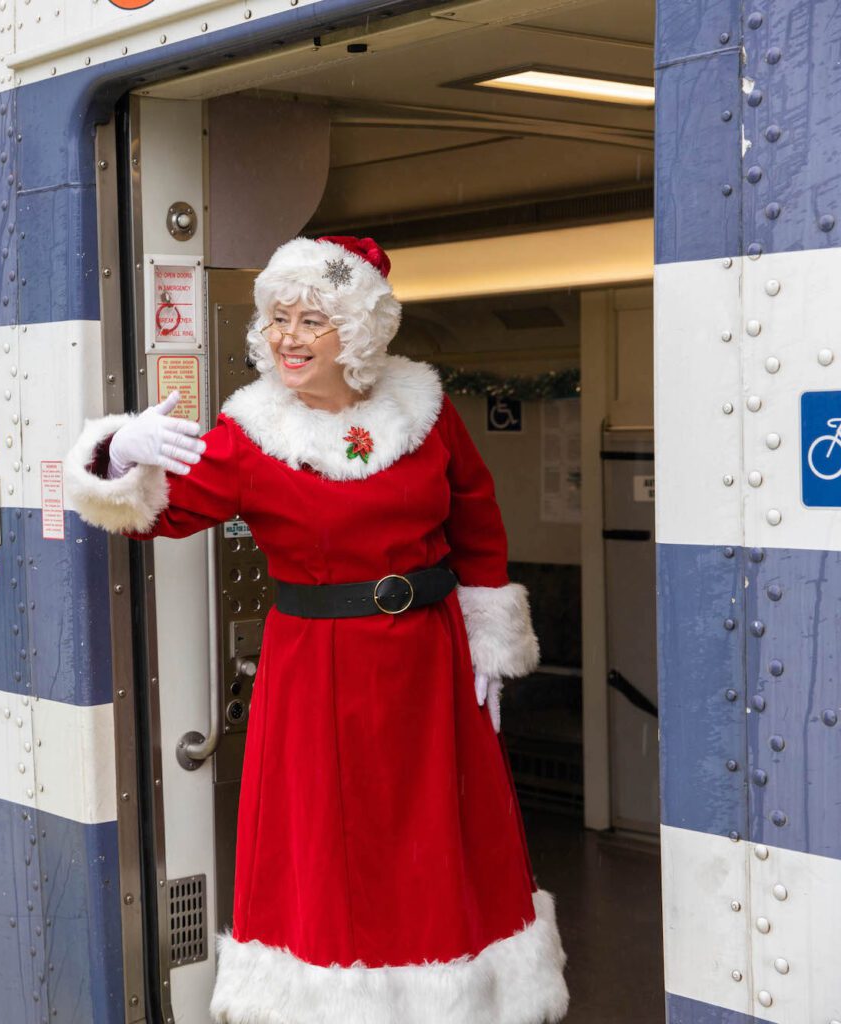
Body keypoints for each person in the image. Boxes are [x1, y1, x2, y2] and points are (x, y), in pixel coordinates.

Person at [64, 236, 568, 1023]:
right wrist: (115, 455)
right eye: (276, 319)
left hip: (433, 663)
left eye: (311, 321)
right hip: (319, 672)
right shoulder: (251, 432)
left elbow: (475, 515)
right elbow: (159, 514)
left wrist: (490, 638)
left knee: (440, 840)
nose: (287, 337)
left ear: (358, 335)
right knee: (336, 849)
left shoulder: (424, 410)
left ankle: (458, 1003)